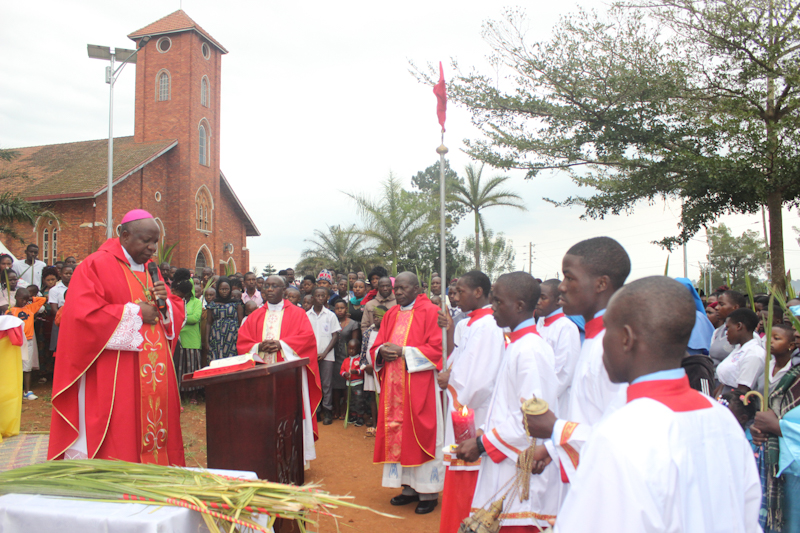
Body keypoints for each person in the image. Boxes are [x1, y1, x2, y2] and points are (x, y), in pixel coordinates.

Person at [533, 276, 761, 532]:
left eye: (606, 331)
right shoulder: (723, 419)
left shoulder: (621, 432)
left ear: (626, 339)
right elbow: (747, 514)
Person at [48, 209, 186, 464]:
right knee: (120, 425)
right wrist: (134, 313)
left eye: (155, 241)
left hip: (153, 370)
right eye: (146, 240)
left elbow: (172, 309)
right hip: (115, 370)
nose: (153, 248)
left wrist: (164, 307)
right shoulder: (95, 265)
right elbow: (81, 315)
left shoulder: (149, 269)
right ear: (124, 235)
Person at [454, 273, 559, 531]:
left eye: (498, 302)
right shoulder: (518, 343)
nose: (492, 308)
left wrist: (481, 443)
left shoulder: (530, 350)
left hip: (520, 469)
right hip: (505, 457)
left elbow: (532, 419)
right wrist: (483, 430)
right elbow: (509, 404)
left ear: (520, 306)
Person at [523, 236, 631, 485]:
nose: (561, 287)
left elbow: (619, 434)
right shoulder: (596, 338)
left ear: (601, 284)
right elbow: (590, 416)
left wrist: (553, 429)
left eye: (569, 278)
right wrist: (552, 449)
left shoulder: (614, 346)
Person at [437, 271, 505, 533]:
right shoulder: (470, 323)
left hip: (475, 411)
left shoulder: (487, 326)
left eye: (461, 291)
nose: (456, 296)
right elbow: (460, 359)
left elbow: (479, 379)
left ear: (478, 292)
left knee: (470, 479)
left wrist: (450, 381)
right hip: (464, 404)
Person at [371, 271, 444, 515]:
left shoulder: (431, 311)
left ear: (417, 289)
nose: (398, 292)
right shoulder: (391, 313)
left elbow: (438, 349)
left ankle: (428, 490)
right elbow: (377, 344)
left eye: (403, 288)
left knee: (421, 433)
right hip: (394, 386)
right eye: (396, 288)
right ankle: (408, 488)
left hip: (419, 384)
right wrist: (381, 352)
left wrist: (404, 352)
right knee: (398, 434)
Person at [236, 275, 322, 467]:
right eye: (266, 286)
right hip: (262, 375)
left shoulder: (298, 313)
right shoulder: (255, 315)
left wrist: (281, 344)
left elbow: (308, 340)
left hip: (288, 376)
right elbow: (242, 342)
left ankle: (293, 458)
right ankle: (265, 456)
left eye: (275, 286)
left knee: (289, 414)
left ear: (284, 290)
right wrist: (259, 347)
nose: (269, 289)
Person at [751, 334, 800, 533]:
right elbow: (777, 412)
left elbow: (778, 423)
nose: (797, 336)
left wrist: (778, 428)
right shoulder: (794, 376)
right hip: (785, 476)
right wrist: (762, 429)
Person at [536, 279, 581, 415]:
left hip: (555, 401)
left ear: (558, 301)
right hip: (537, 392)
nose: (537, 302)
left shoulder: (566, 327)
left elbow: (564, 371)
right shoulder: (541, 324)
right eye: (537, 297)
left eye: (543, 298)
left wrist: (543, 396)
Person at [307, 287, 340, 425]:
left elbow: (335, 335)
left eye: (323, 296)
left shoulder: (330, 315)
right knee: (313, 383)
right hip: (311, 356)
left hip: (327, 356)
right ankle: (316, 411)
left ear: (327, 298)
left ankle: (327, 411)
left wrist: (325, 352)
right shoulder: (306, 315)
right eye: (317, 295)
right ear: (313, 297)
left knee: (326, 384)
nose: (320, 298)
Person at [7, 288, 47, 400]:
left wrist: (30, 298)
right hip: (15, 342)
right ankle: (16, 390)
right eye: (22, 299)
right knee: (16, 366)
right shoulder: (11, 311)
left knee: (27, 366)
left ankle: (27, 391)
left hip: (28, 340)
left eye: (26, 299)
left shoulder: (30, 308)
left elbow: (42, 299)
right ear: (16, 297)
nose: (24, 302)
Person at [171, 268, 203, 403]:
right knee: (179, 368)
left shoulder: (196, 302)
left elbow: (195, 318)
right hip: (178, 338)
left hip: (192, 339)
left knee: (192, 367)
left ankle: (194, 395)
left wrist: (181, 317)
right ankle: (180, 394)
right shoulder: (176, 299)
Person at [716, 308, 764, 394]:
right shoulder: (739, 348)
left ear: (739, 326)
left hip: (735, 402)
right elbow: (724, 383)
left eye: (728, 328)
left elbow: (742, 391)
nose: (726, 333)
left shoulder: (754, 354)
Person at [360, 304, 387, 436]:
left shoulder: (388, 332)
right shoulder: (368, 332)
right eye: (375, 317)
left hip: (383, 370)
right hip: (370, 370)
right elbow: (363, 351)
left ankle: (384, 425)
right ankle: (375, 424)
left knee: (384, 396)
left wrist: (378, 366)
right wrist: (365, 366)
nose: (377, 319)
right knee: (372, 396)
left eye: (381, 317)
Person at [204, 277, 243, 362]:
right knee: (216, 361)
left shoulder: (236, 303)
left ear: (230, 289)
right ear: (218, 290)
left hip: (232, 336)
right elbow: (208, 323)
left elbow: (241, 322)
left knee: (232, 361)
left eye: (227, 289)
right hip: (216, 337)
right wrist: (206, 342)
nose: (224, 291)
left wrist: (241, 339)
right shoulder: (213, 304)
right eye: (222, 289)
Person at [333, 298, 359, 420]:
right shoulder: (331, 321)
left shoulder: (353, 323)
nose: (339, 310)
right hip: (333, 356)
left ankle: (345, 409)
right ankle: (336, 409)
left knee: (345, 384)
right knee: (335, 385)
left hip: (347, 357)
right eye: (337, 308)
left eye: (342, 308)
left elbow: (354, 341)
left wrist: (351, 358)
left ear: (346, 309)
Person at [710, 290, 747, 367]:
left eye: (721, 304)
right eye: (717, 304)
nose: (716, 308)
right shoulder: (717, 332)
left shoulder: (747, 334)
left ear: (735, 307)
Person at [340, 338, 366, 426]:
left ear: (358, 349)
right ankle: (353, 415)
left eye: (353, 349)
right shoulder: (346, 360)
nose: (351, 351)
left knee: (359, 400)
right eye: (349, 349)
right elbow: (341, 370)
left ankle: (360, 417)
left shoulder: (360, 360)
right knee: (350, 400)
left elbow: (363, 370)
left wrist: (357, 371)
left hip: (357, 383)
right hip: (348, 384)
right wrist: (345, 374)